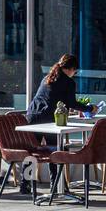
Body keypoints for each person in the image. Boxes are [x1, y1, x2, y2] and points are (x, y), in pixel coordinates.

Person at [22, 54, 80, 196]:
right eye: (75, 71)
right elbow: (72, 103)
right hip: (48, 120)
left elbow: (52, 97)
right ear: (71, 69)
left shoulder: (48, 77)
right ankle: (56, 183)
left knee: (31, 152)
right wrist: (91, 108)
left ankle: (25, 184)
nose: (74, 74)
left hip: (33, 116)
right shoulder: (68, 82)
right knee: (55, 151)